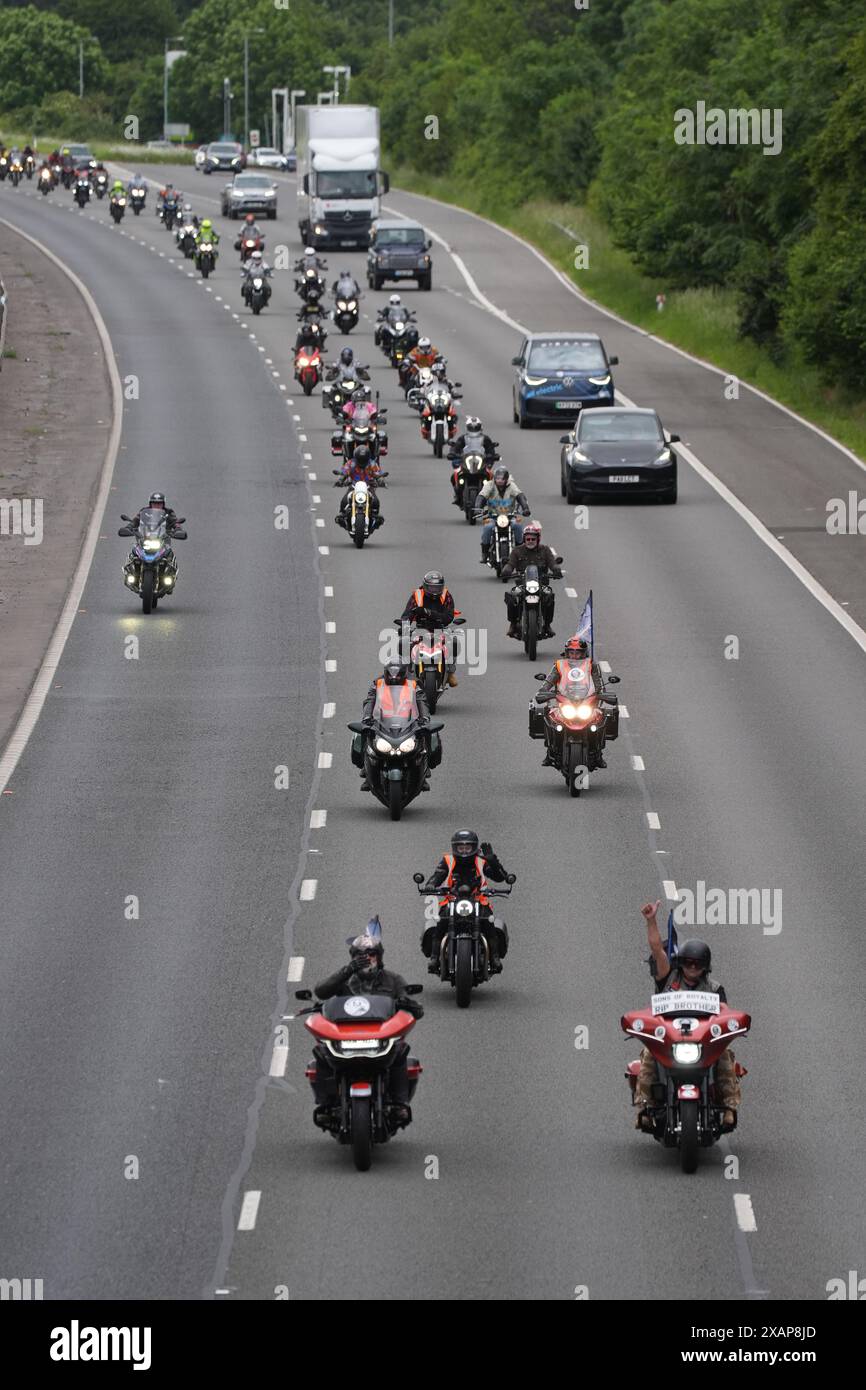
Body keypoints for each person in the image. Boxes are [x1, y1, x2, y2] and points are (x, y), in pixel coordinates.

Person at [637, 901, 741, 1130]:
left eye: (698, 964)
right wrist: (651, 921)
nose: (692, 968)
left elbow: (724, 1015)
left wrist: (730, 1027)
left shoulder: (714, 989)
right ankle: (644, 1107)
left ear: (705, 967)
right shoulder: (669, 978)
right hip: (670, 1039)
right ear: (681, 963)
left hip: (702, 1042)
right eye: (688, 963)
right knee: (647, 1053)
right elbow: (657, 950)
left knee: (725, 1054)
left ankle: (730, 1109)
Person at [312, 920, 423, 1122]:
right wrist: (347, 970)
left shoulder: (393, 980)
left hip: (380, 1038)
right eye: (361, 956)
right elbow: (320, 991)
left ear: (379, 957)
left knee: (400, 1051)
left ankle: (399, 1104)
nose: (368, 959)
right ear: (353, 958)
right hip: (345, 1036)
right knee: (321, 1052)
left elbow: (414, 1007)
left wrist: (410, 1005)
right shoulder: (344, 979)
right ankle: (327, 1104)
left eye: (372, 954)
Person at [422, 831, 513, 974]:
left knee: (488, 923)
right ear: (455, 848)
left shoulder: (481, 860)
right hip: (453, 899)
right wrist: (431, 885)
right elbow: (437, 875)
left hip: (478, 900)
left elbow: (500, 877)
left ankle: (495, 957)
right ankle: (434, 958)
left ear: (474, 848)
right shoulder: (448, 860)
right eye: (461, 847)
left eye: (467, 847)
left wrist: (493, 861)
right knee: (441, 922)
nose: (464, 850)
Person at [535, 635, 608, 768]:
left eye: (578, 652)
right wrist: (543, 691)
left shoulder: (591, 665)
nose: (574, 655)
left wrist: (602, 694)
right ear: (567, 652)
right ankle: (550, 751)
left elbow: (599, 685)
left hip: (586, 702)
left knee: (600, 719)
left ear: (583, 653)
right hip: (565, 702)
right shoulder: (559, 665)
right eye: (571, 652)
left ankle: (598, 753)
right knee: (550, 718)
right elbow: (549, 681)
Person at [358, 662, 430, 791]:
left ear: (404, 673)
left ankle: (425, 768)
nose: (394, 678)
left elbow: (421, 701)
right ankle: (365, 768)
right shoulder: (377, 683)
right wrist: (367, 717)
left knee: (427, 732)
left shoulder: (414, 683)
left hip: (408, 720)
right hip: (382, 720)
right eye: (390, 676)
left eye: (397, 676)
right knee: (363, 732)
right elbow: (370, 700)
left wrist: (424, 718)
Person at [501, 521, 561, 640]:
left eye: (533, 539)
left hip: (541, 584)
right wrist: (506, 570)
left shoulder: (545, 550)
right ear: (524, 539)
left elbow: (552, 563)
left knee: (549, 596)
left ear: (537, 539)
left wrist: (556, 569)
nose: (530, 541)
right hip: (522, 584)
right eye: (528, 539)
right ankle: (513, 624)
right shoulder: (517, 550)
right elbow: (510, 564)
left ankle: (547, 624)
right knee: (511, 596)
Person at [399, 571, 459, 687]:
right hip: (421, 628)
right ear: (425, 586)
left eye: (437, 588)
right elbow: (407, 614)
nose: (434, 591)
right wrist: (404, 626)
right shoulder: (417, 595)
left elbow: (448, 617)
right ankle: (406, 672)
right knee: (403, 642)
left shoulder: (446, 595)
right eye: (431, 587)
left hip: (440, 628)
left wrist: (428, 612)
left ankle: (451, 672)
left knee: (454, 641)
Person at [475, 466, 530, 562]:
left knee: (517, 526)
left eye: (502, 479)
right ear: (494, 478)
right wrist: (478, 507)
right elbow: (482, 496)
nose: (499, 481)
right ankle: (484, 553)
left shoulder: (512, 486)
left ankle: (520, 552)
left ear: (506, 479)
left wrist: (525, 508)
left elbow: (520, 496)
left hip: (510, 516)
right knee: (487, 528)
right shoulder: (489, 485)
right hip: (493, 516)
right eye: (497, 478)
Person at [449, 417, 498, 506]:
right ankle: (457, 496)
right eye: (471, 427)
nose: (474, 429)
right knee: (454, 476)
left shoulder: (485, 439)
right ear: (467, 427)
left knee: (492, 477)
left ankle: (492, 497)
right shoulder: (462, 438)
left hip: (481, 463)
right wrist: (453, 453)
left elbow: (490, 449)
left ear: (480, 427)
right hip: (466, 463)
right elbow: (456, 447)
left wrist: (493, 456)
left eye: (476, 427)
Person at [336, 445, 384, 530]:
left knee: (375, 501)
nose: (362, 462)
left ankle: (375, 518)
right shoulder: (351, 463)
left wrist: (380, 480)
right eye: (360, 460)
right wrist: (340, 480)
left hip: (368, 486)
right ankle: (342, 516)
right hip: (354, 486)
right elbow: (345, 471)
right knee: (344, 500)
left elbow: (378, 473)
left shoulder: (372, 463)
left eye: (364, 460)